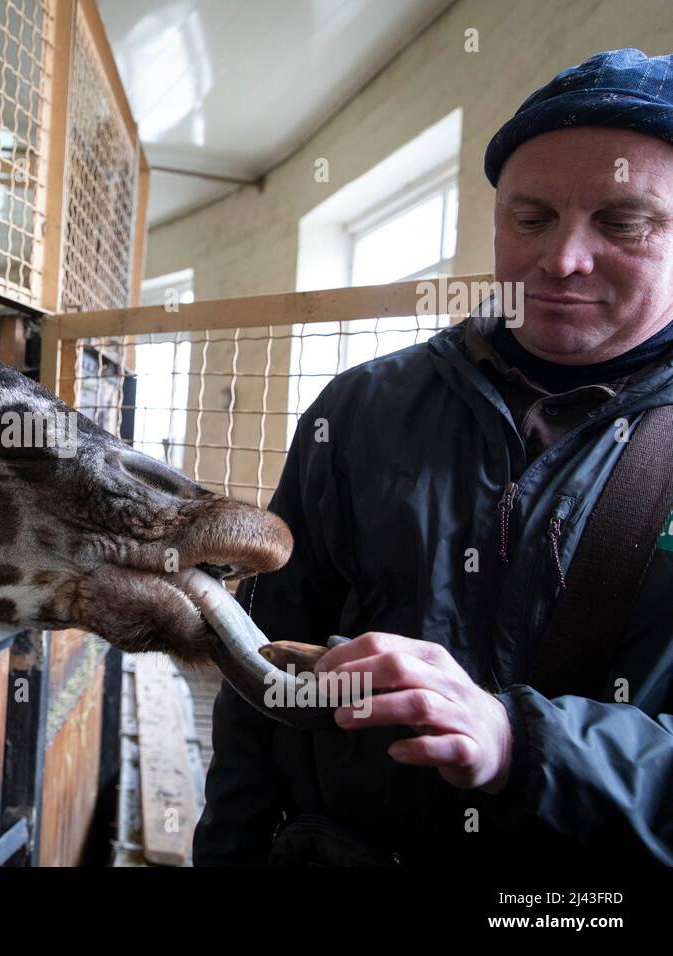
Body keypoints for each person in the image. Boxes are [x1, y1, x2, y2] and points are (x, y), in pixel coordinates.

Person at [195, 48, 673, 865]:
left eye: (624, 222)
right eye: (530, 218)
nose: (561, 261)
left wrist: (522, 742)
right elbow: (262, 677)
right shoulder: (359, 409)